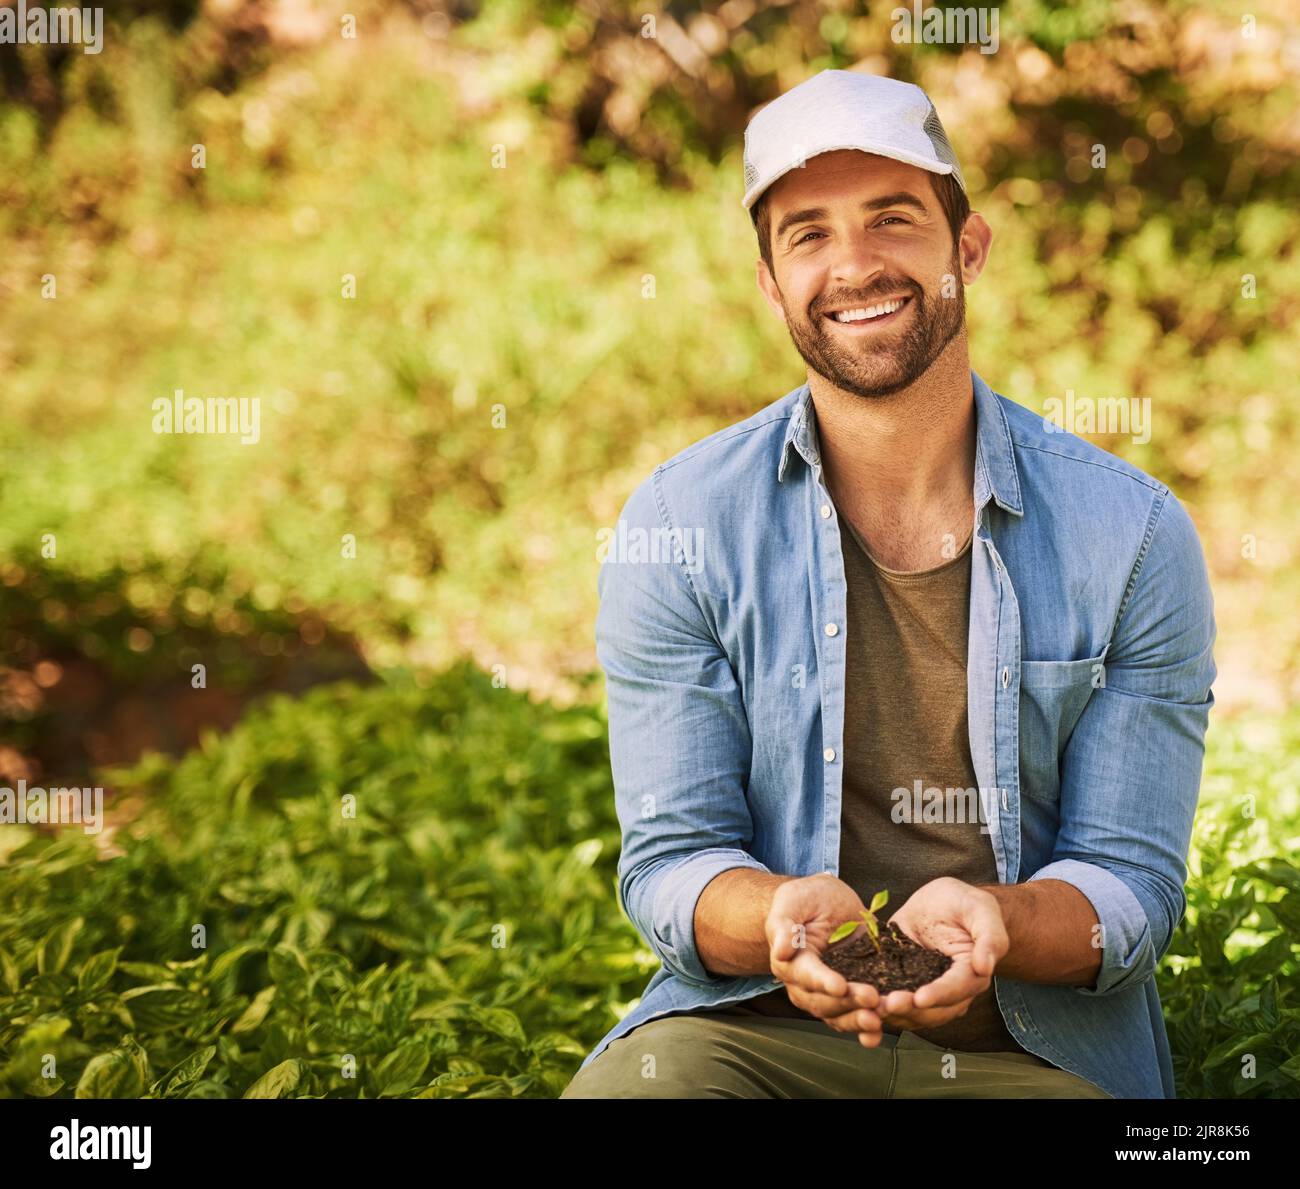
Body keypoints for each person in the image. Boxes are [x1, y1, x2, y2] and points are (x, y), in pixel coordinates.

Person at [560, 70, 1216, 1099]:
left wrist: (997, 923)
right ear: (772, 284)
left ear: (968, 247)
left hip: (1029, 1053)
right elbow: (670, 861)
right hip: (755, 1036)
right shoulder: (679, 525)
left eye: (893, 219)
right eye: (807, 234)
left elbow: (1127, 888)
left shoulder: (1131, 534)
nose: (853, 264)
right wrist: (774, 918)